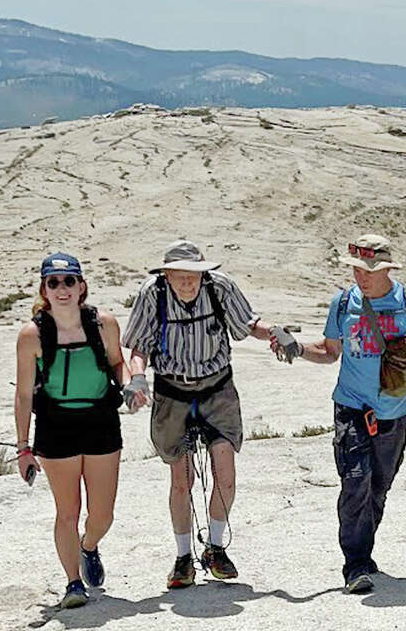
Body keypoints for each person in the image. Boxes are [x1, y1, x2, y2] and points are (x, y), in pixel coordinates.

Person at [270, 234, 406, 594]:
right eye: (357, 269)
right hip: (351, 408)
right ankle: (355, 563)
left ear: (387, 268)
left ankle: (364, 551)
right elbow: (329, 352)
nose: (362, 277)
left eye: (369, 270)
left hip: (395, 413)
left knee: (378, 487)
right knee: (355, 482)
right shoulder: (342, 304)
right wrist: (295, 347)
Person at [122, 240, 277, 589]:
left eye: (194, 276)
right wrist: (136, 378)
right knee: (182, 479)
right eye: (181, 278)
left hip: (216, 389)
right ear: (167, 275)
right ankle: (182, 557)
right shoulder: (153, 294)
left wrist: (275, 333)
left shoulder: (219, 287)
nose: (188, 284)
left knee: (226, 473)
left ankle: (215, 548)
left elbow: (248, 324)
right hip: (173, 391)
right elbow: (140, 346)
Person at [14, 252, 137, 609]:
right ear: (44, 289)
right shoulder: (31, 335)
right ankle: (73, 583)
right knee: (67, 511)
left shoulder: (104, 324)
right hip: (56, 426)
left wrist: (130, 383)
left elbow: (117, 362)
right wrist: (23, 448)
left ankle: (89, 546)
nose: (62, 289)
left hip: (100, 421)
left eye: (69, 281)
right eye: (53, 283)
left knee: (103, 514)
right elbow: (23, 395)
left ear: (81, 286)